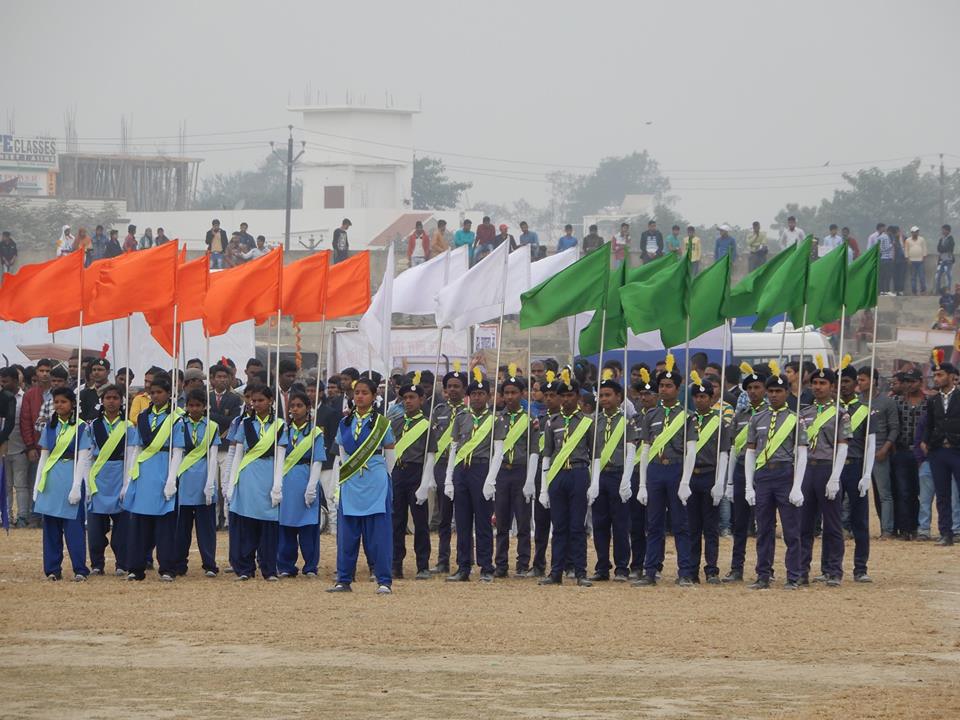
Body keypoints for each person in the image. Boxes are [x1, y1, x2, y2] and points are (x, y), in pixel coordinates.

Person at [327, 376, 395, 594]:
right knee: (347, 534)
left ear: (374, 396)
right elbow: (342, 455)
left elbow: (390, 455)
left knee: (379, 535)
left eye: (365, 393)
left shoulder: (382, 424)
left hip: (375, 482)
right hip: (351, 481)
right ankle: (344, 579)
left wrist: (385, 477)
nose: (360, 396)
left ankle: (384, 580)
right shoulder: (344, 423)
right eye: (357, 393)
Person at [634, 356, 697, 587]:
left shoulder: (688, 416)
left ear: (678, 389)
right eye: (661, 386)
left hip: (676, 470)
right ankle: (650, 571)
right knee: (653, 524)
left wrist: (686, 481)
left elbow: (691, 450)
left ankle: (685, 572)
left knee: (681, 525)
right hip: (655, 472)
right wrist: (641, 484)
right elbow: (644, 451)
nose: (664, 389)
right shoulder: (651, 415)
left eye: (669, 386)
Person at [744, 364, 807, 590]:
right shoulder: (757, 419)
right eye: (770, 391)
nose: (773, 395)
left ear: (787, 393)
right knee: (764, 528)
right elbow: (750, 452)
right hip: (763, 475)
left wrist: (797, 485)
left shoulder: (795, 419)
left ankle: (794, 575)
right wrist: (748, 486)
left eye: (778, 391)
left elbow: (802, 453)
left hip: (784, 474)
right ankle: (763, 574)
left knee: (791, 529)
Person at [538, 369, 593, 587]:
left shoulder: (587, 422)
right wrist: (544, 487)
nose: (567, 399)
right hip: (558, 475)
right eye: (564, 396)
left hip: (579, 473)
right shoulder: (552, 422)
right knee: (558, 526)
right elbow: (547, 455)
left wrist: (593, 482)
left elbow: (594, 453)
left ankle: (580, 572)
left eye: (571, 395)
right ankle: (556, 572)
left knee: (577, 526)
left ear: (578, 397)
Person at [226, 384, 287, 581]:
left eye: (261, 400)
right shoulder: (245, 424)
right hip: (248, 475)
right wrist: (231, 482)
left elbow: (280, 456)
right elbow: (238, 454)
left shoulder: (279, 425)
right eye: (254, 401)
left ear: (270, 401)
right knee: (246, 523)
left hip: (268, 474)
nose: (257, 404)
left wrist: (277, 485)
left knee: (268, 524)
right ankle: (245, 568)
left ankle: (269, 569)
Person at [799, 359, 851, 586]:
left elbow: (842, 446)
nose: (818, 387)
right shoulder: (804, 412)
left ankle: (833, 570)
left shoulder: (840, 414)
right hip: (806, 470)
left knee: (832, 524)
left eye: (822, 383)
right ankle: (801, 569)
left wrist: (835, 477)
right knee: (804, 524)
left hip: (826, 468)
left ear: (832, 386)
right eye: (815, 383)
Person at [123, 375, 180, 581]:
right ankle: (136, 568)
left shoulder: (176, 418)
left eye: (159, 392)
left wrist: (171, 479)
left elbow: (178, 450)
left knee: (165, 524)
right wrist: (129, 478)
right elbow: (137, 448)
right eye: (152, 393)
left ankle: (167, 568)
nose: (155, 396)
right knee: (139, 523)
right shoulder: (143, 417)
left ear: (168, 394)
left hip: (164, 469)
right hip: (144, 472)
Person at [32, 387, 90, 581]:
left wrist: (76, 486)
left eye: (63, 402)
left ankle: (80, 569)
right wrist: (37, 484)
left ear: (72, 404)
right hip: (51, 480)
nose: (59, 405)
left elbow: (83, 459)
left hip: (70, 477)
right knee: (50, 528)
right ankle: (52, 569)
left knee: (74, 529)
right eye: (56, 402)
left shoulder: (82, 427)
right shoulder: (49, 426)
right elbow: (44, 457)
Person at [444, 368, 496, 582]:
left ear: (488, 397)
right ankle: (463, 566)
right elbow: (453, 448)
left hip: (481, 469)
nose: (476, 397)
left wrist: (491, 480)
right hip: (461, 471)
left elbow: (498, 451)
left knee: (483, 522)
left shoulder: (495, 419)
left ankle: (486, 567)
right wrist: (449, 479)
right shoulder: (461, 417)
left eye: (481, 394)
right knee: (462, 522)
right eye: (473, 394)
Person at [483, 368, 536, 578]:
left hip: (521, 472)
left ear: (522, 394)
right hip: (503, 473)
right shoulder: (498, 419)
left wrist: (530, 480)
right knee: (501, 521)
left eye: (514, 392)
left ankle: (523, 564)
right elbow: (494, 451)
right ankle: (501, 564)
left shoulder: (531, 420)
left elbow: (533, 450)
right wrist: (491, 478)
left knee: (523, 522)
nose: (510, 397)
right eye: (506, 393)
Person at [586, 370, 636, 582]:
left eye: (608, 395)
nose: (604, 399)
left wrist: (627, 479)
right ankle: (602, 566)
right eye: (602, 395)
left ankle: (622, 567)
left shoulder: (628, 422)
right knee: (599, 523)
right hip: (599, 476)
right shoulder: (592, 422)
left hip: (619, 475)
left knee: (621, 524)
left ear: (619, 397)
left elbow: (632, 450)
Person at [167, 388, 219, 577]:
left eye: (198, 405)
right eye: (191, 405)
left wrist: (210, 483)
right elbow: (177, 452)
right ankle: (179, 563)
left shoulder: (212, 426)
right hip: (185, 478)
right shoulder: (179, 424)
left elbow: (213, 456)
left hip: (204, 475)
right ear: (186, 406)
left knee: (206, 527)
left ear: (205, 406)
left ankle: (209, 564)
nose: (194, 409)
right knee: (182, 527)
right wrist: (172, 479)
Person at [723, 363, 767, 582]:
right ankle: (736, 567)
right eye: (749, 388)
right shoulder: (741, 415)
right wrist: (730, 482)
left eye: (757, 387)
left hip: (765, 471)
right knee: (739, 523)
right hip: (741, 470)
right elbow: (733, 448)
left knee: (765, 523)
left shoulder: (773, 415)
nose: (753, 392)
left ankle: (764, 569)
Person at [685, 373, 730, 584]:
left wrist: (720, 482)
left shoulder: (720, 422)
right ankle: (691, 570)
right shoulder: (687, 421)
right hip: (691, 476)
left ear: (711, 398)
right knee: (692, 527)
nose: (700, 400)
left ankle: (712, 569)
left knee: (710, 528)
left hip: (710, 475)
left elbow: (723, 454)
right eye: (697, 397)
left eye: (704, 397)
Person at [277, 391, 326, 577]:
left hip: (306, 478)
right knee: (286, 525)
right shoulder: (285, 430)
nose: (295, 409)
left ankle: (310, 566)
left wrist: (312, 487)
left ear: (308, 408)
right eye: (292, 406)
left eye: (299, 406)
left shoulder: (315, 432)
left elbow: (317, 460)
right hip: (287, 480)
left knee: (308, 527)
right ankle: (285, 565)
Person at [388, 375, 432, 579]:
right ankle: (396, 563)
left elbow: (430, 455)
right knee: (396, 521)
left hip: (417, 473)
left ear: (421, 400)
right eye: (405, 397)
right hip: (398, 472)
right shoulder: (395, 423)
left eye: (412, 397)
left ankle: (422, 565)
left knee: (420, 522)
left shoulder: (427, 424)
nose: (408, 401)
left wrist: (425, 483)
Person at [424, 365, 466, 574]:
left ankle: (464, 560)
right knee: (443, 516)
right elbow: (432, 442)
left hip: (463, 467)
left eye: (457, 386)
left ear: (464, 390)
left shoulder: (470, 414)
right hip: (441, 467)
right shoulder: (438, 411)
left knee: (464, 517)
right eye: (449, 386)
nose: (453, 390)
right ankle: (442, 560)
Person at [838, 361, 876, 580]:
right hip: (833, 468)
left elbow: (870, 445)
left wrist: (867, 474)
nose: (843, 386)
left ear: (855, 385)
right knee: (832, 520)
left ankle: (860, 568)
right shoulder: (831, 410)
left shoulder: (864, 410)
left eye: (847, 382)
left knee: (859, 520)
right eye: (840, 382)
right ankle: (830, 567)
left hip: (855, 467)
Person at [86, 385, 129, 576]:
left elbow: (132, 454)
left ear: (121, 401)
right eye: (108, 397)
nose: (111, 401)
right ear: (101, 401)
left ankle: (122, 563)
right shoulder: (92, 425)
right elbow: (87, 454)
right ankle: (97, 563)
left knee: (122, 526)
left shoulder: (129, 426)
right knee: (95, 527)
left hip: (119, 474)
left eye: (115, 397)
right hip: (99, 476)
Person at [921, 352, 960, 546]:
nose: (937, 379)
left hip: (957, 450)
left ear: (952, 376)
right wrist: (925, 442)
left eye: (940, 375)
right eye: (935, 375)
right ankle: (946, 533)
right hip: (938, 451)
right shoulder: (932, 400)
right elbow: (929, 424)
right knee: (942, 494)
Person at [628, 369, 657, 578]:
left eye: (649, 394)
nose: (644, 398)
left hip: (656, 473)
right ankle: (637, 564)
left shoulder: (665, 419)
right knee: (635, 523)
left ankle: (655, 564)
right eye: (642, 395)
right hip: (636, 473)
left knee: (654, 523)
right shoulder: (634, 420)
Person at [892, 368, 922, 540]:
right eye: (907, 381)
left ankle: (916, 526)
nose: (910, 385)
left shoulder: (928, 402)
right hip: (901, 451)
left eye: (913, 381)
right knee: (902, 491)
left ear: (920, 382)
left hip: (919, 453)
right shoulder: (897, 401)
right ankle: (904, 528)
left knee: (917, 492)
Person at [905, 226, 928, 295]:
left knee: (922, 277)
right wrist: (907, 259)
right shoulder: (908, 240)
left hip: (920, 260)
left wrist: (924, 257)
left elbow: (924, 248)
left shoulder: (922, 239)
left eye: (917, 232)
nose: (915, 233)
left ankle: (923, 290)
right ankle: (914, 291)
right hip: (912, 261)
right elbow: (906, 250)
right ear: (911, 233)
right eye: (914, 232)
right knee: (913, 277)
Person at [935, 224, 955, 295]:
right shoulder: (941, 239)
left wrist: (942, 249)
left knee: (948, 276)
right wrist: (943, 249)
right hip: (941, 260)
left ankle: (948, 291)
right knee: (937, 276)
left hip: (948, 260)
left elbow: (949, 248)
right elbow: (938, 248)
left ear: (947, 231)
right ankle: (937, 291)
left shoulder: (951, 239)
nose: (942, 231)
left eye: (943, 230)